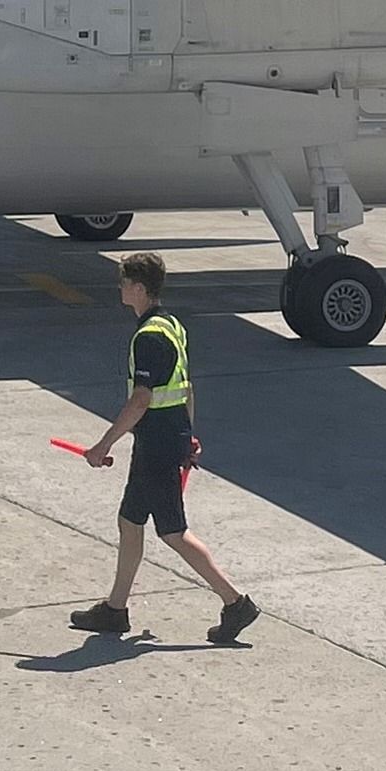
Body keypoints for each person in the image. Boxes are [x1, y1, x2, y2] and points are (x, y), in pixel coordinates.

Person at [69, 252, 259, 644]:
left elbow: (140, 400)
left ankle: (235, 602)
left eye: (123, 283)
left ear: (138, 288)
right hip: (165, 437)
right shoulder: (172, 325)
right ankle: (115, 609)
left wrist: (101, 445)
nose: (120, 288)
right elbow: (186, 387)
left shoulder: (149, 336)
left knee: (173, 531)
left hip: (156, 443)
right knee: (130, 520)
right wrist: (187, 434)